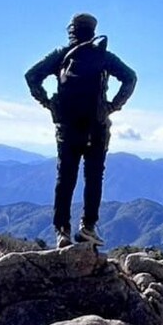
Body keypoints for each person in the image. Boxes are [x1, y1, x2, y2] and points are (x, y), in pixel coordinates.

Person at [25, 13, 137, 248]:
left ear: (71, 31)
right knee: (94, 177)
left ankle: (62, 231)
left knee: (65, 177)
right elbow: (130, 77)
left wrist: (48, 102)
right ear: (93, 31)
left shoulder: (61, 55)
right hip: (97, 127)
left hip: (67, 128)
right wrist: (112, 106)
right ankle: (88, 227)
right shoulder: (103, 55)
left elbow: (31, 76)